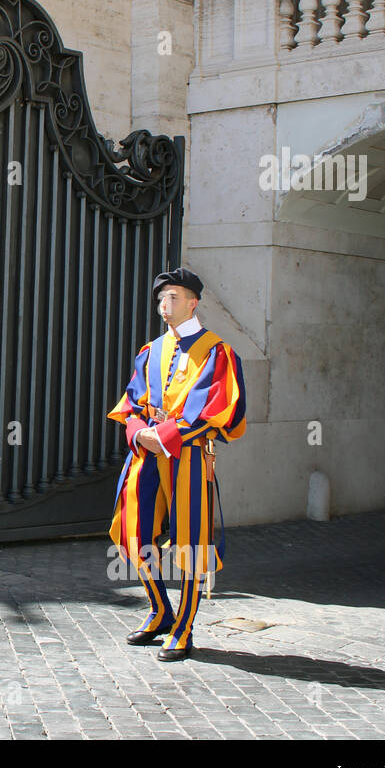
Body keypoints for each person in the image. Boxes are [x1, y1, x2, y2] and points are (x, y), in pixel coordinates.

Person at [106, 267, 246, 661]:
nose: (164, 306)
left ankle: (184, 627)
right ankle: (160, 611)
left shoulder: (217, 352)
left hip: (187, 457)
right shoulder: (149, 352)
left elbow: (214, 408)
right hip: (146, 456)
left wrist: (162, 437)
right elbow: (132, 403)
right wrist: (137, 433)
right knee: (136, 532)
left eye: (173, 298)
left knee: (190, 543)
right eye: (160, 299)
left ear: (193, 302)